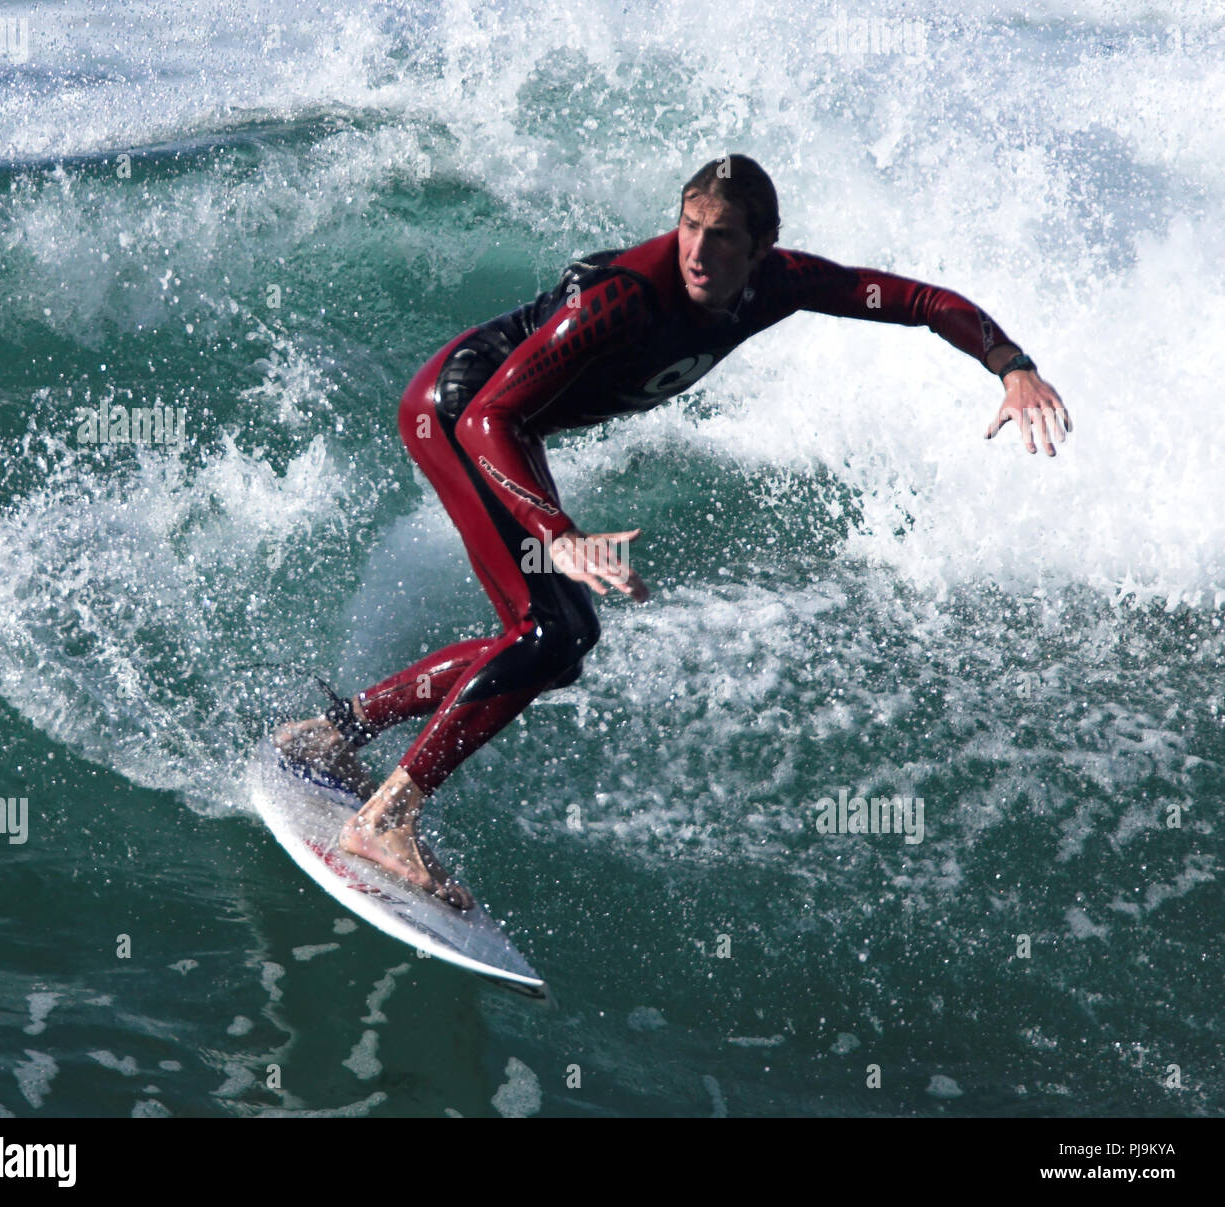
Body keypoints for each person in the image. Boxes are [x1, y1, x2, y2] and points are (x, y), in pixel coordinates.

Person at [273, 154, 1070, 909]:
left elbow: (917, 302)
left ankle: (330, 736)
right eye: (689, 225)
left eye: (721, 235)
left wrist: (1011, 363)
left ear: (762, 246)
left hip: (502, 429)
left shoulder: (778, 284)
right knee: (551, 632)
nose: (698, 249)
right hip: (457, 415)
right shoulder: (622, 296)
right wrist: (559, 532)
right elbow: (490, 414)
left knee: (556, 640)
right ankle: (383, 818)